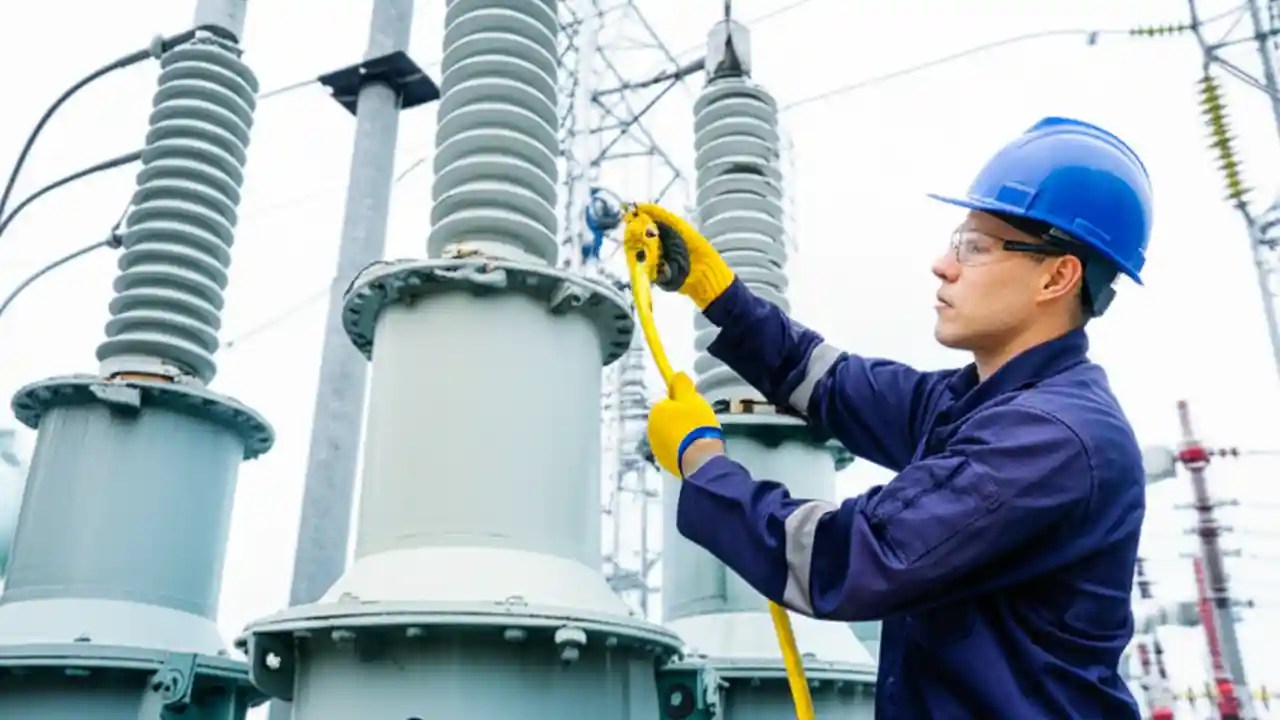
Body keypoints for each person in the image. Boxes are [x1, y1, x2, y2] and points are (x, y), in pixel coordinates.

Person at [635, 116, 1153, 719]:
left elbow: (848, 560)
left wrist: (702, 464)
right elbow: (835, 383)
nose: (943, 264)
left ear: (1057, 276)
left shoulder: (1050, 439)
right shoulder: (985, 405)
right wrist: (717, 293)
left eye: (975, 247)